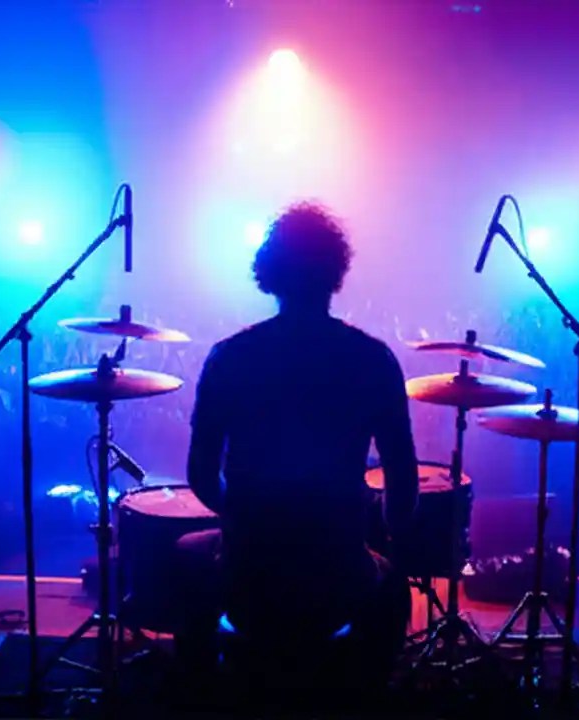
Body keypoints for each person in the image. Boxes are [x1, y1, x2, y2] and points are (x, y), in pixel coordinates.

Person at [175, 203, 420, 699]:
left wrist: (246, 513)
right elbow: (404, 480)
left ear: (269, 274)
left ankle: (199, 694)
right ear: (335, 272)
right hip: (337, 567)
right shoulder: (373, 359)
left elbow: (200, 474)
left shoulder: (230, 356)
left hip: (250, 568)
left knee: (185, 554)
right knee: (395, 585)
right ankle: (366, 696)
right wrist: (386, 532)